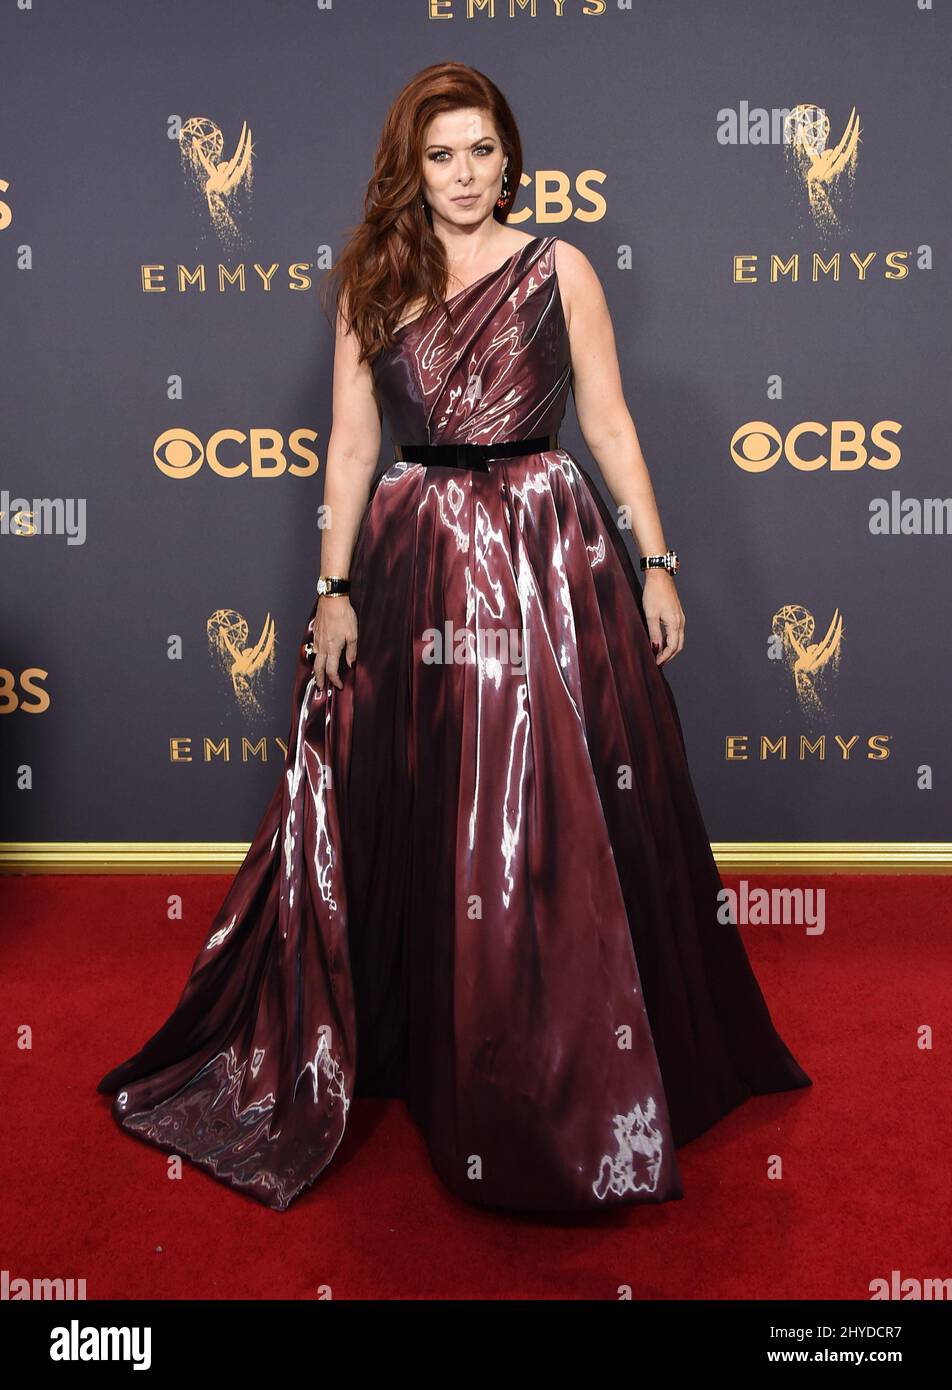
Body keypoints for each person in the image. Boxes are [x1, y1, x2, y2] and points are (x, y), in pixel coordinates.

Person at [97, 61, 810, 1213]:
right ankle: (440, 1041)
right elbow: (349, 446)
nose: (465, 174)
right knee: (441, 793)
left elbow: (607, 421)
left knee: (542, 801)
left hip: (546, 548)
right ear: (411, 168)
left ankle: (571, 1063)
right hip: (419, 551)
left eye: (482, 151)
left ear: (509, 158)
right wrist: (332, 587)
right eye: (442, 156)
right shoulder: (371, 280)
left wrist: (656, 561)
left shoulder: (560, 267)